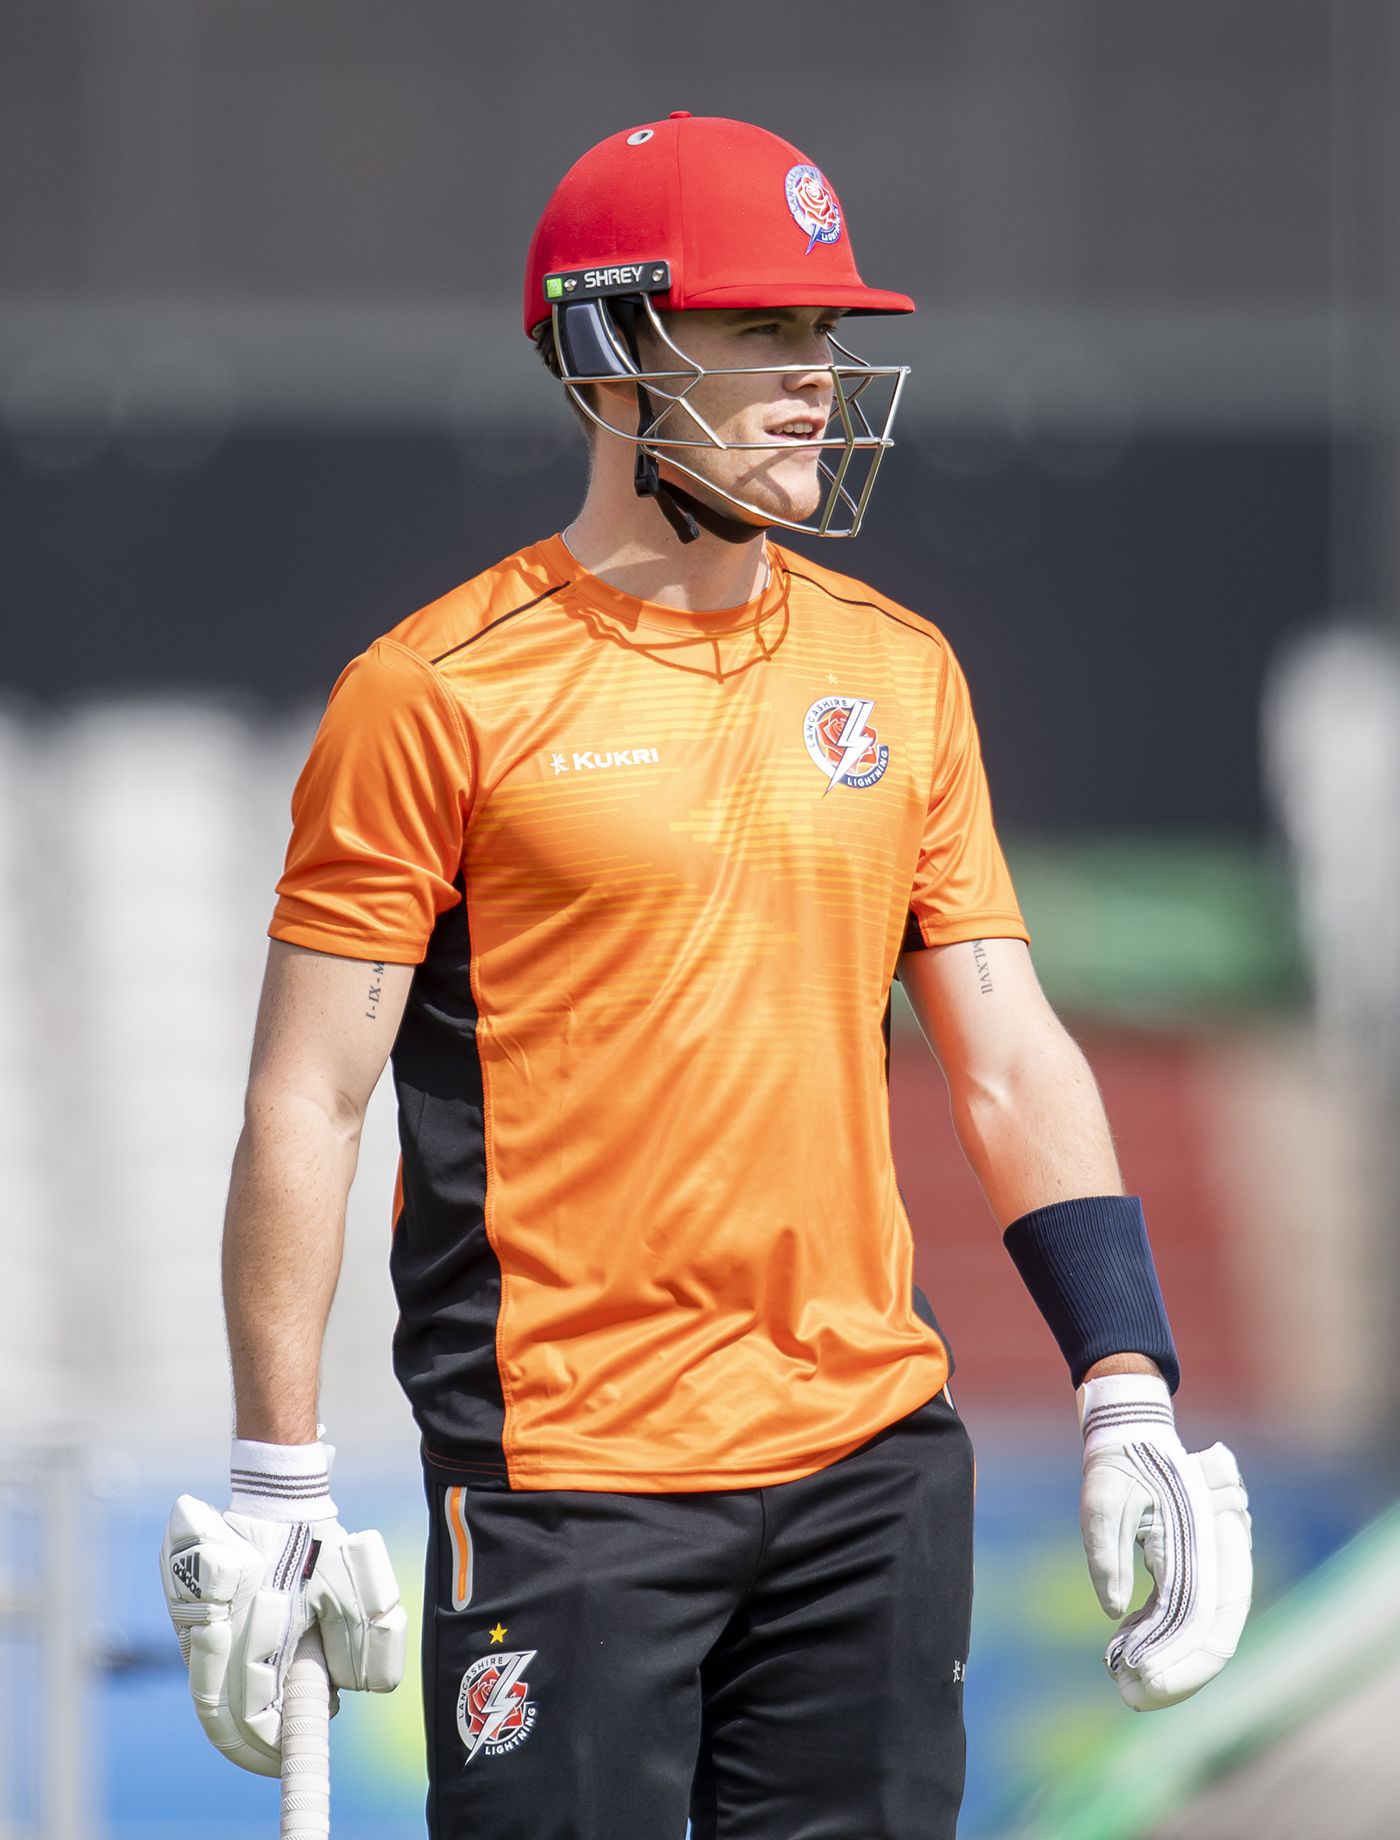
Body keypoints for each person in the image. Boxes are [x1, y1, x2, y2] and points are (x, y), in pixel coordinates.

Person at [161, 113, 1253, 1839]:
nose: (815, 378)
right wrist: (277, 1472)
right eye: (760, 332)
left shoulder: (901, 671)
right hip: (568, 1488)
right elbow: (308, 1095)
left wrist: (1128, 1385)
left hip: (871, 1475)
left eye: (826, 333)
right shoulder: (434, 692)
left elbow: (1012, 1057)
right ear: (608, 350)